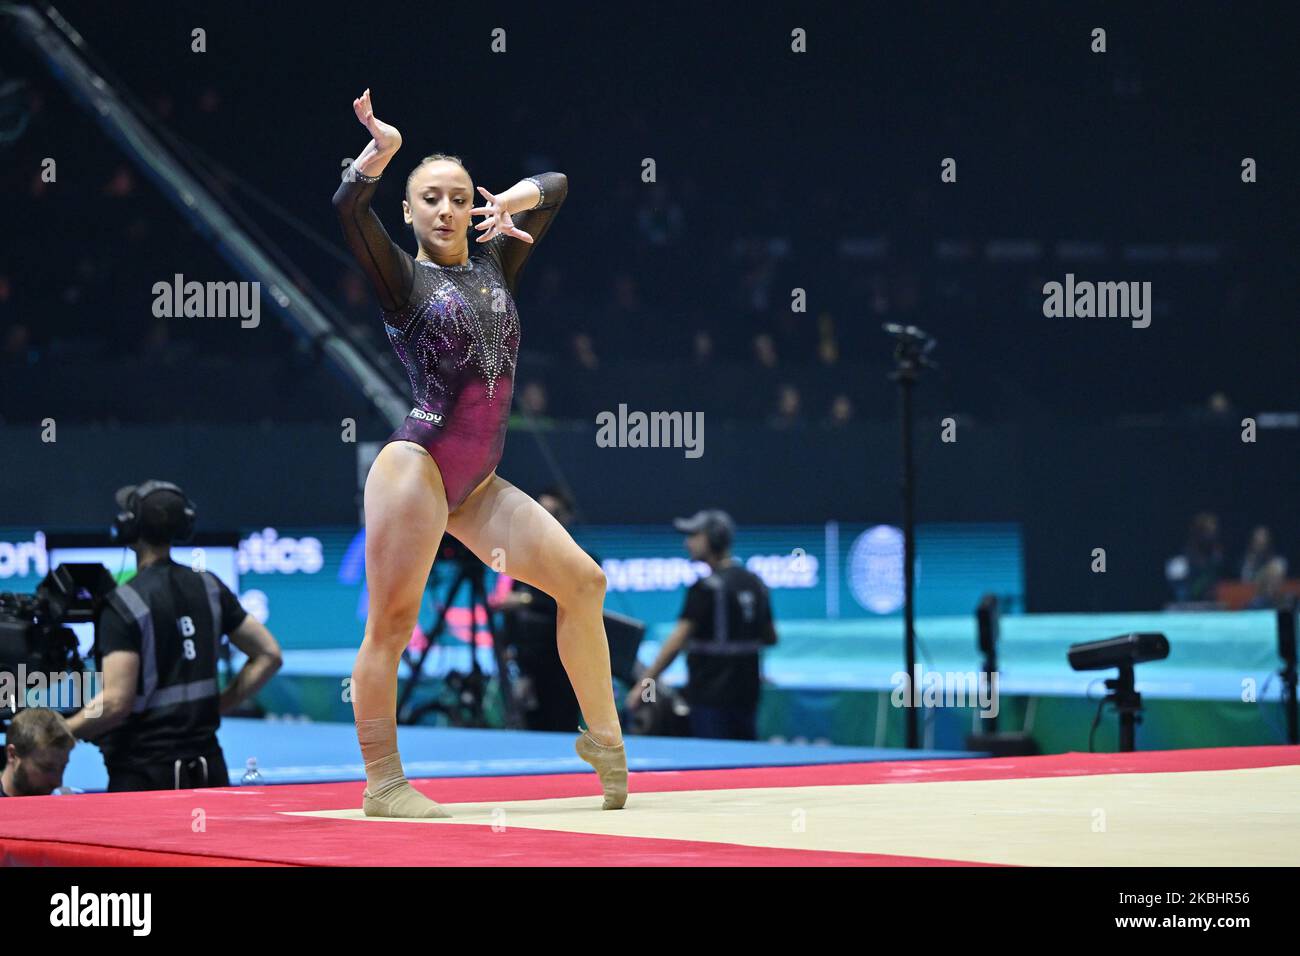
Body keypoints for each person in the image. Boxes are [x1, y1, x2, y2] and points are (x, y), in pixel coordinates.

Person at [332, 89, 626, 817]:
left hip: (479, 483)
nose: (443, 210)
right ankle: (384, 784)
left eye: (457, 198)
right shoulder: (403, 279)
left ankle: (603, 737)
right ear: (408, 213)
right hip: (419, 466)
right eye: (428, 199)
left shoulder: (498, 261)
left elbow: (556, 189)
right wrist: (382, 152)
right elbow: (347, 208)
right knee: (393, 625)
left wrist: (514, 200)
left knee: (584, 584)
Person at [64, 481, 283, 791]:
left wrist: (63, 730)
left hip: (144, 779)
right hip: (209, 771)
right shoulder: (210, 587)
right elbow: (269, 654)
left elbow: (116, 702)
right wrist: (218, 705)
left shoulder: (123, 604)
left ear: (129, 528)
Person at [626, 510, 778, 740]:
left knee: (713, 768)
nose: (688, 543)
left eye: (694, 535)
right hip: (748, 697)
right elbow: (770, 637)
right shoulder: (755, 583)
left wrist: (644, 685)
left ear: (714, 538)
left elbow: (675, 643)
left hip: (710, 700)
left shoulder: (705, 587)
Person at [1, 708, 75, 797]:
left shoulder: (65, 799)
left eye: (62, 768)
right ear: (12, 755)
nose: (57, 782)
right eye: (46, 768)